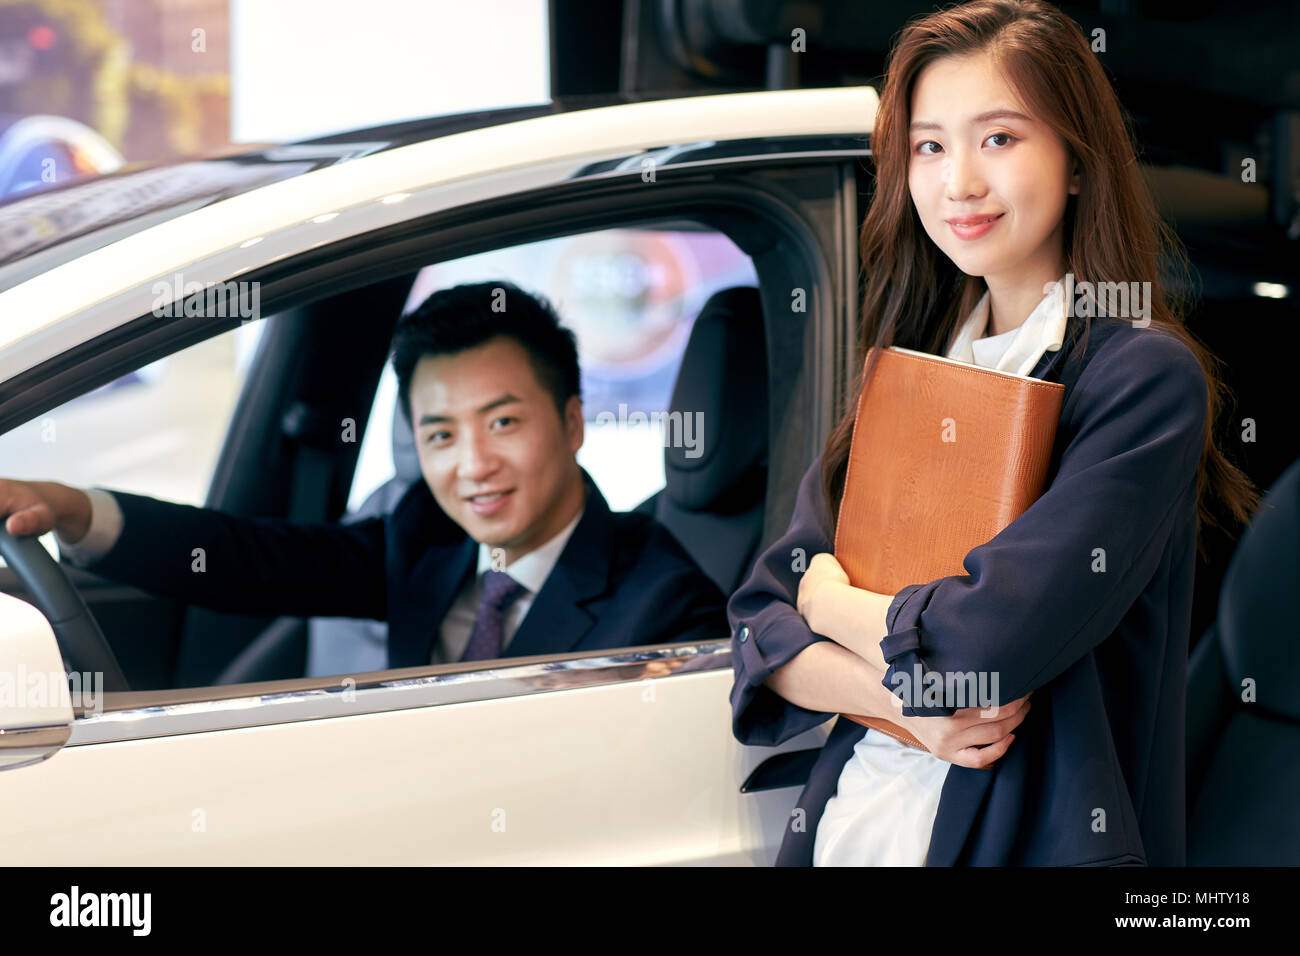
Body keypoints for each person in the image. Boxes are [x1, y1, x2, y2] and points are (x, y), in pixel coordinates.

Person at [728, 0, 1258, 867]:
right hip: (853, 829)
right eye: (930, 146)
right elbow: (758, 627)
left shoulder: (1139, 377)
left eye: (999, 139)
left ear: (1077, 160)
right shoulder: (909, 366)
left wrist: (829, 605)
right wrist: (904, 706)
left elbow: (980, 644)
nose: (959, 182)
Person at [0, 281, 728, 671]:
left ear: (572, 422)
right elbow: (254, 559)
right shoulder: (426, 538)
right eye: (440, 434)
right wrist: (69, 508)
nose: (472, 466)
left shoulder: (668, 609)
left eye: (503, 422)